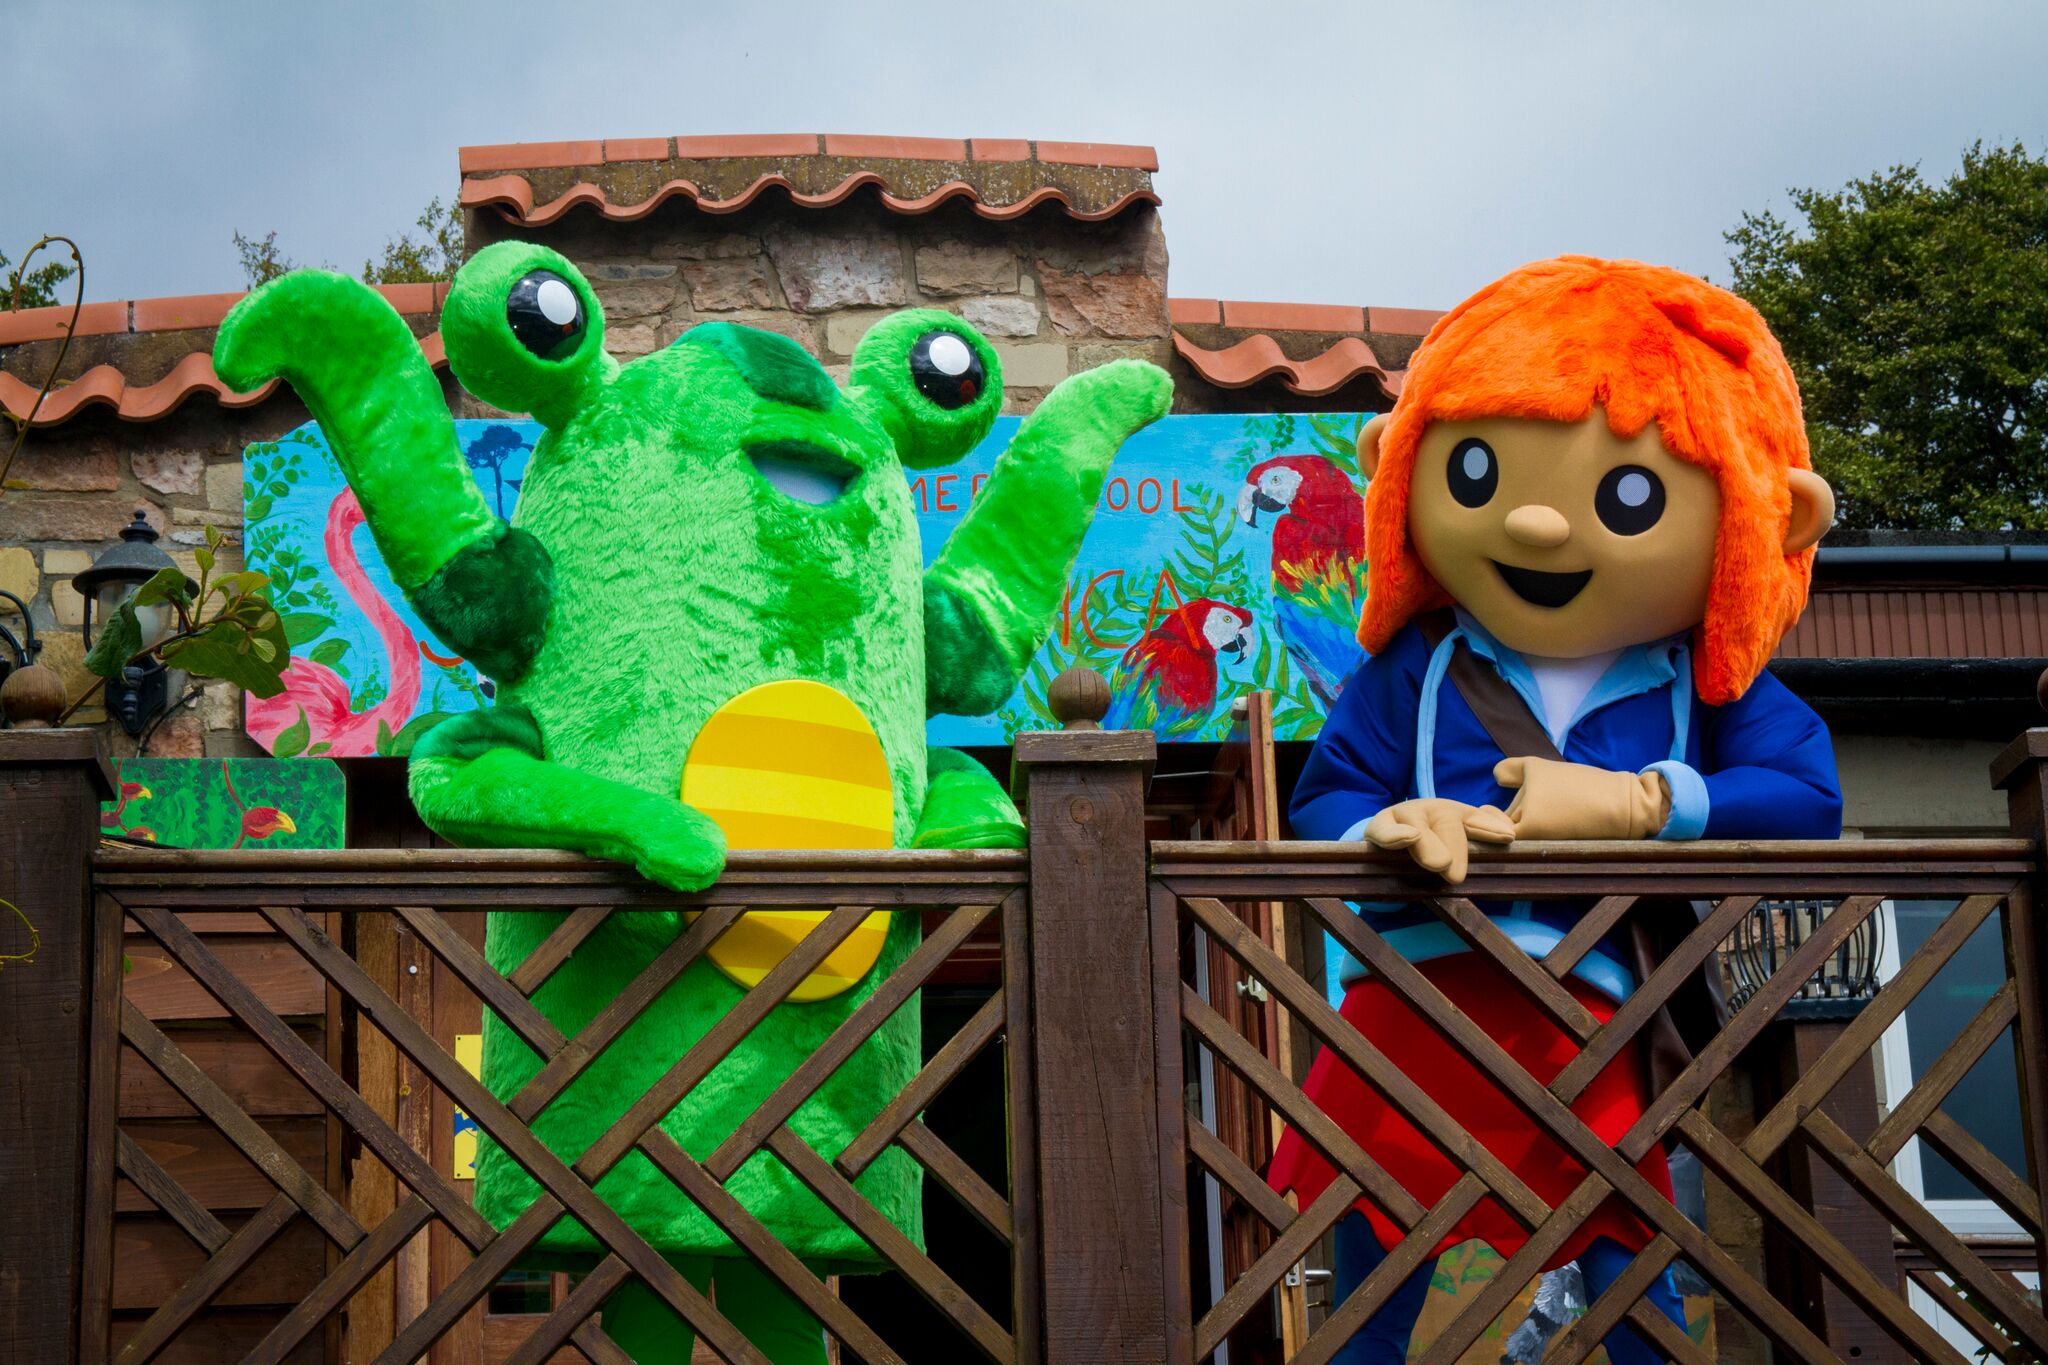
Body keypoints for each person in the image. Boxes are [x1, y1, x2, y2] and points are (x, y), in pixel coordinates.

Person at [1269, 256, 1844, 1364]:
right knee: (1374, 1280)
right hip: (1414, 1011)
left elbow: (1802, 799)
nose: (1534, 525)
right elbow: (1331, 790)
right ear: (1403, 469)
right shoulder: (1412, 667)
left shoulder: (1698, 679)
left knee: (1631, 1275)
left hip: (1599, 1023)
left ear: (1773, 519)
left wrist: (1645, 803)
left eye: (1628, 494)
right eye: (1475, 471)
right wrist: (1379, 832)